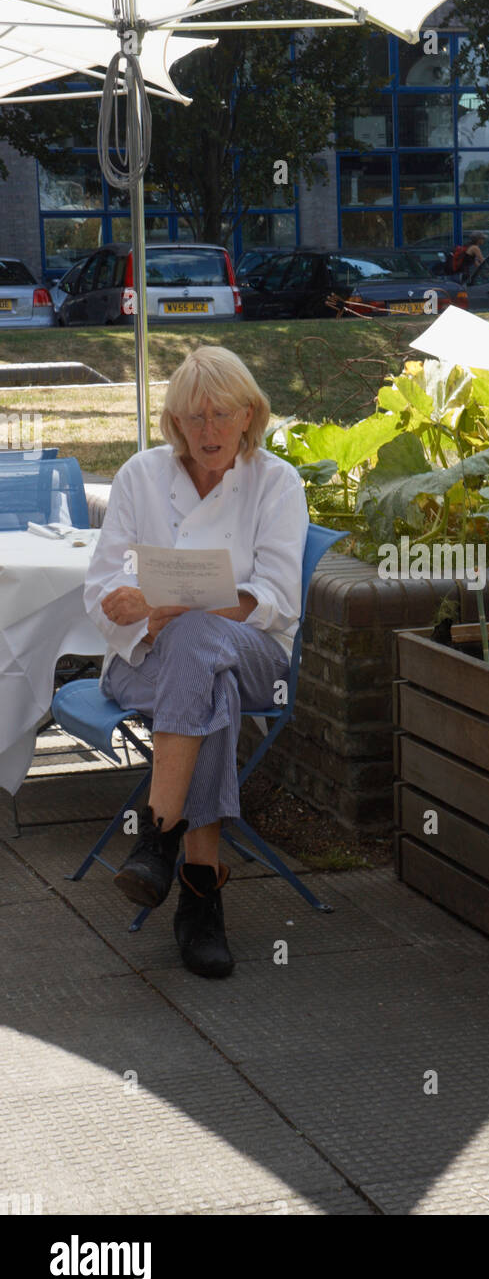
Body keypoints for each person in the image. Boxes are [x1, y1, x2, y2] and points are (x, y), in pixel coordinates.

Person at [83, 346, 309, 979]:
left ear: (248, 416)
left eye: (221, 414)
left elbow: (278, 599)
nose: (208, 431)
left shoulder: (276, 482)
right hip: (143, 656)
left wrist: (184, 609)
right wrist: (129, 606)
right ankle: (200, 890)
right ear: (174, 423)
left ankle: (158, 835)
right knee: (209, 684)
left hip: (256, 652)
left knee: (199, 640)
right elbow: (100, 586)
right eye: (193, 417)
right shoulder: (139, 476)